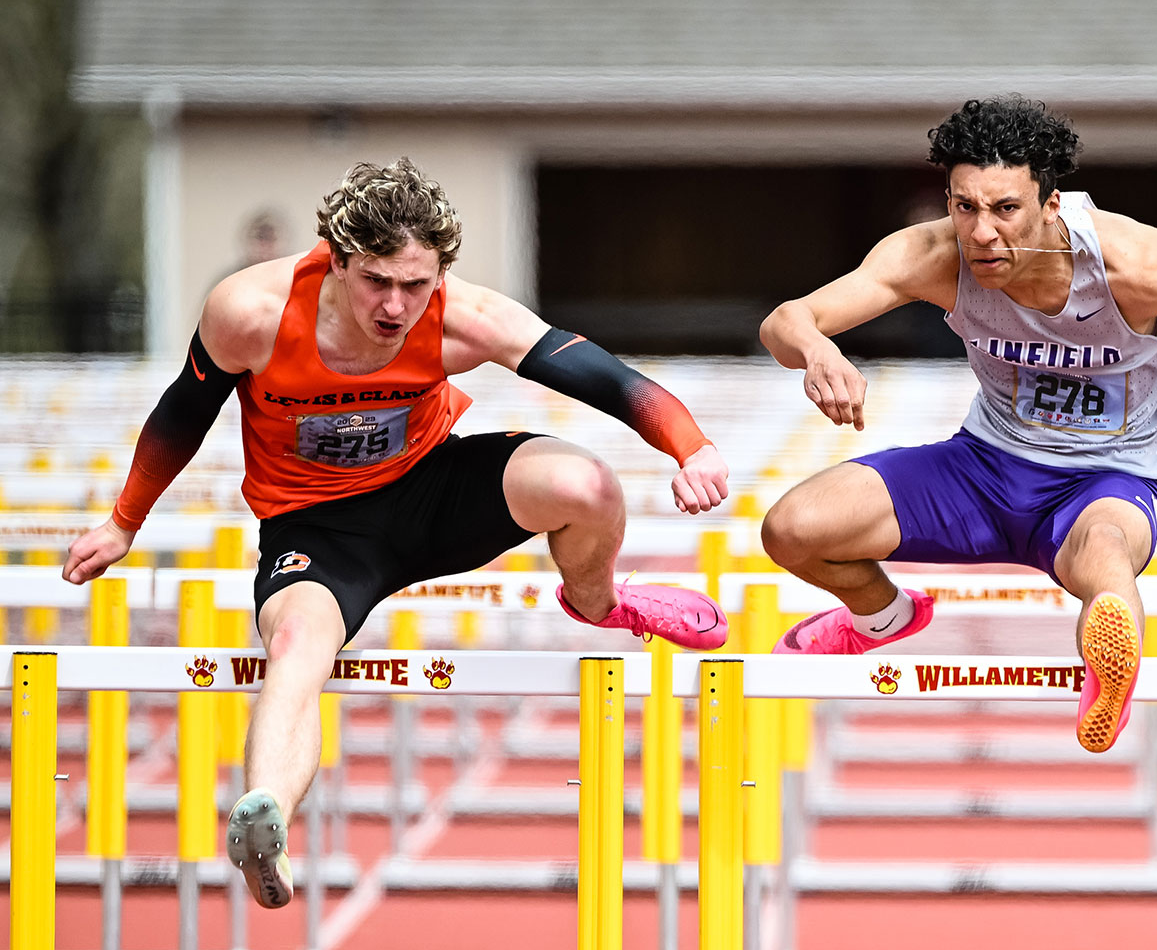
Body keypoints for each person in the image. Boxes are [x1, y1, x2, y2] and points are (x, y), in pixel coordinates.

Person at [62, 158, 733, 909]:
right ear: (337, 259)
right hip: (317, 525)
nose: (395, 306)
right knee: (294, 645)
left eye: (415, 285)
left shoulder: (462, 313)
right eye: (377, 282)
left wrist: (691, 445)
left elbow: (596, 372)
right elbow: (181, 413)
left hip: (433, 489)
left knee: (587, 485)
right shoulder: (249, 311)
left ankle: (600, 600)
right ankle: (267, 817)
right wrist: (125, 522)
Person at [758, 96, 1157, 752]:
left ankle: (1110, 667)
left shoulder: (1132, 268)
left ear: (1051, 205)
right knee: (792, 529)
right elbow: (785, 321)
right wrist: (820, 351)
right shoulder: (932, 255)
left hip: (1102, 480)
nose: (980, 233)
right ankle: (881, 618)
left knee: (1105, 564)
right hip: (982, 467)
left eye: (1005, 210)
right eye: (963, 206)